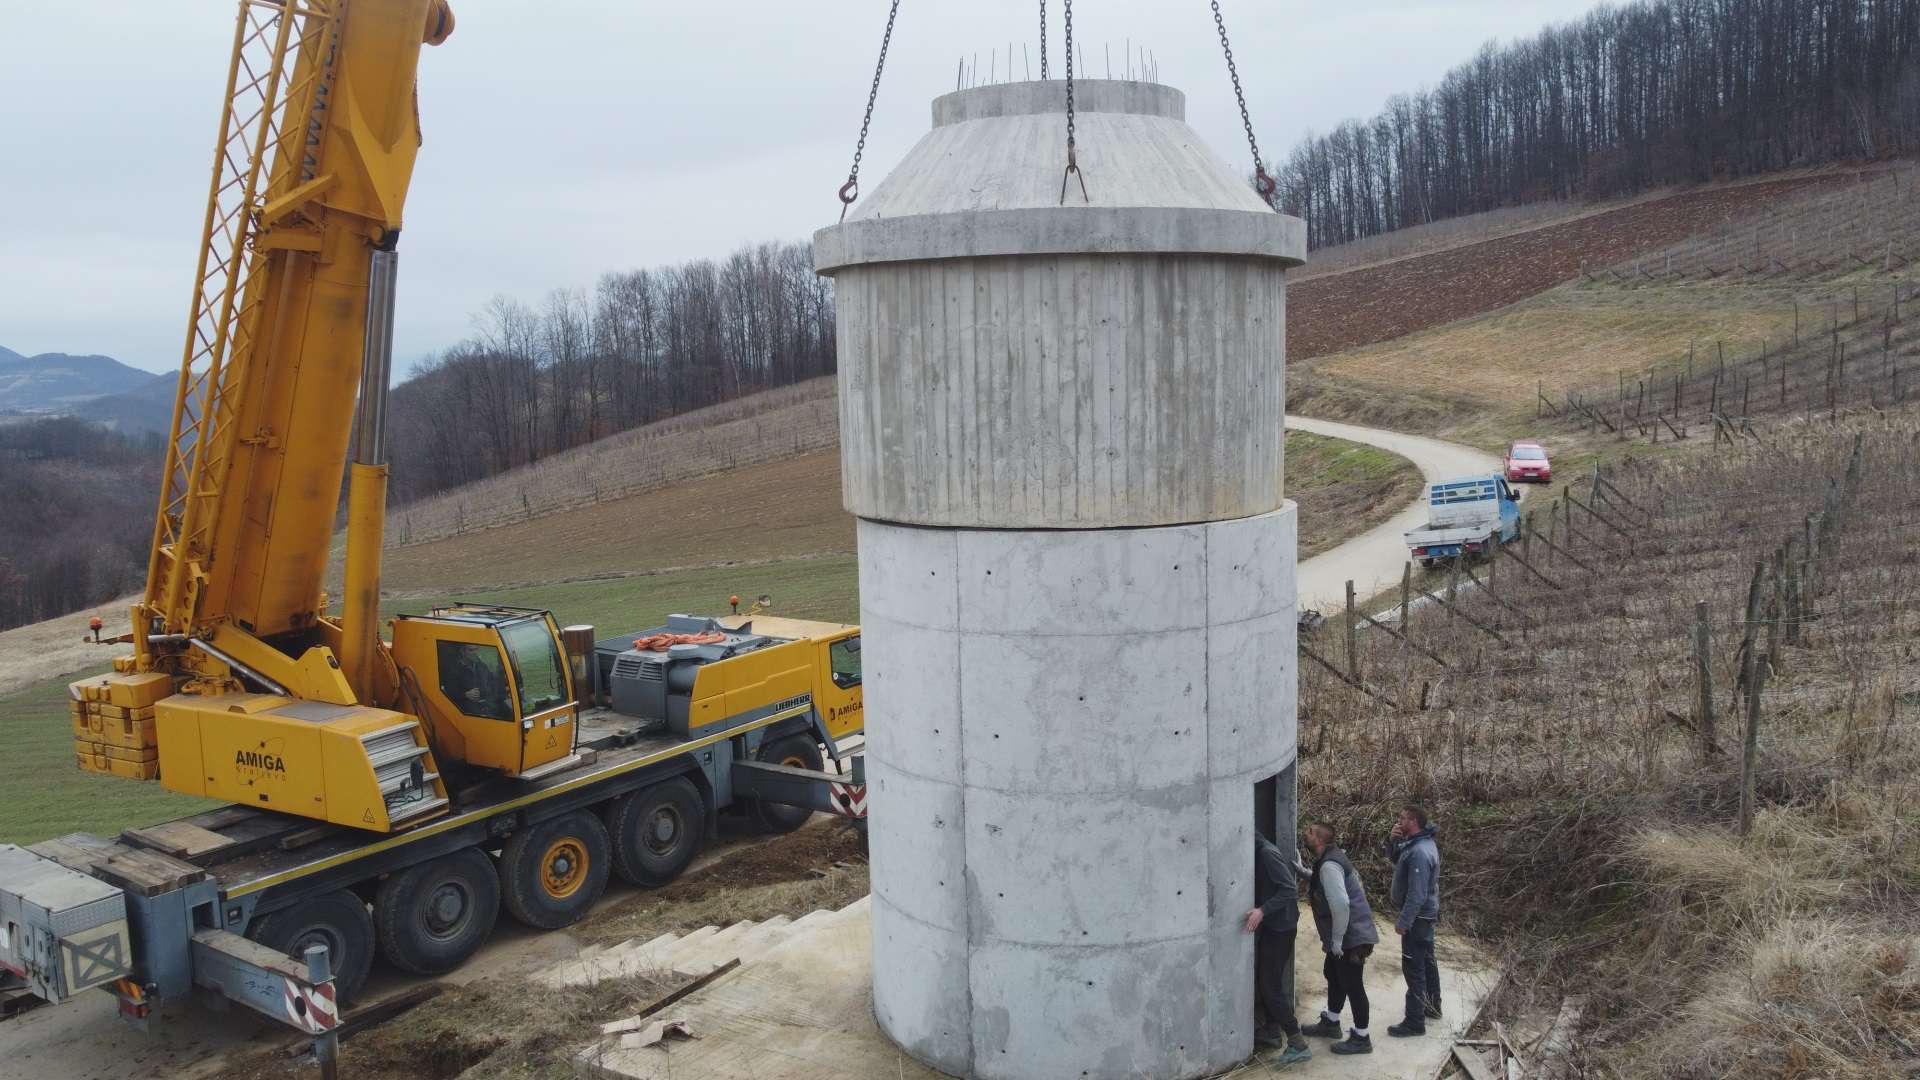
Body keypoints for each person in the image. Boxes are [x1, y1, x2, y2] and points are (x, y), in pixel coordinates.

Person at [1298, 822, 1380, 1056]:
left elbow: (1342, 905)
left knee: (1353, 985)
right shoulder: (1331, 859)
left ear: (1320, 840)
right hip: (1348, 934)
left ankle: (1362, 1038)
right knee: (1333, 974)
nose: (1306, 833)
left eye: (1311, 832)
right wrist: (1303, 871)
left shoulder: (1330, 865)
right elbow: (1328, 885)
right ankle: (1332, 1023)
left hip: (1351, 937)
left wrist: (1336, 941)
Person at [1244, 834, 1312, 1065]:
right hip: (1275, 926)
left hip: (1281, 928)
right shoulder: (1259, 849)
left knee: (1270, 985)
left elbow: (1289, 890)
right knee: (1267, 981)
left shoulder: (1266, 853)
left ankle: (1297, 1041)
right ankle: (1272, 1032)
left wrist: (1262, 911)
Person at [1385, 803, 1442, 1037]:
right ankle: (1432, 1006)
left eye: (1402, 818)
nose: (1399, 822)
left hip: (1418, 919)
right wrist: (1392, 840)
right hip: (1425, 917)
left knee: (1414, 968)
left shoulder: (1419, 852)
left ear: (1413, 821)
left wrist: (1404, 921)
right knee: (1427, 961)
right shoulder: (1420, 843)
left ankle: (1414, 1021)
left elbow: (1417, 894)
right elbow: (1396, 858)